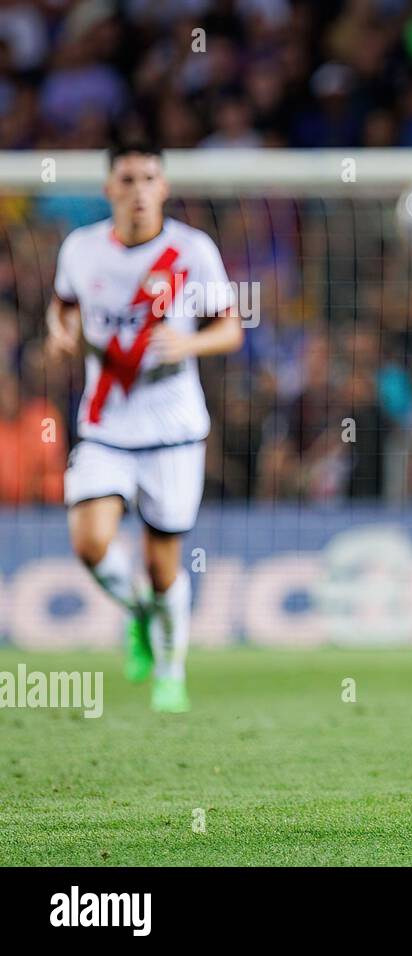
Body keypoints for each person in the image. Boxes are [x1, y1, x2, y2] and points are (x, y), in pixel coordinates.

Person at [45, 139, 244, 713]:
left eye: (148, 178)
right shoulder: (80, 250)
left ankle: (170, 671)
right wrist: (60, 331)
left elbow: (230, 329)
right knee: (89, 544)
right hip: (105, 424)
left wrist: (189, 342)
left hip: (174, 431)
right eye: (126, 179)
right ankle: (135, 613)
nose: (138, 191)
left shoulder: (192, 251)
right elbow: (62, 306)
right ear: (108, 188)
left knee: (162, 570)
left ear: (164, 187)